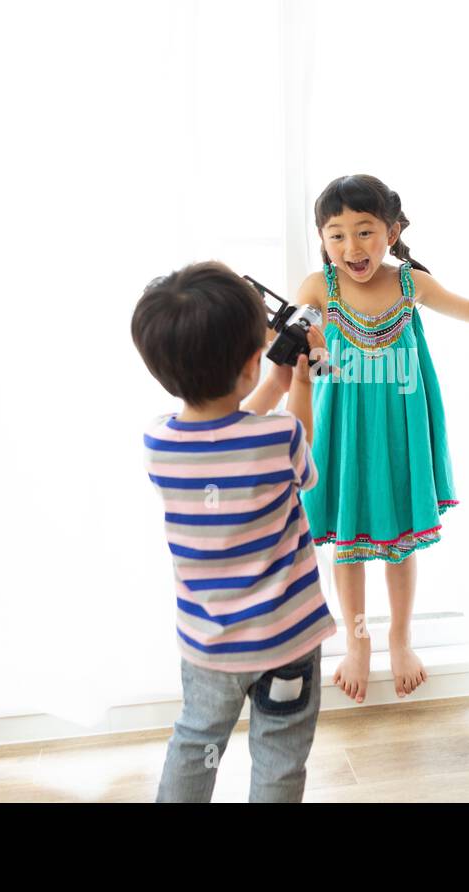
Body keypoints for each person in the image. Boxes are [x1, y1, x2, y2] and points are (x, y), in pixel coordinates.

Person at [296, 174, 469, 703]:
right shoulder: (317, 289)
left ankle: (400, 636)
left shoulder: (411, 283)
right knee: (347, 540)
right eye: (338, 234)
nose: (353, 246)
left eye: (366, 231)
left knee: (398, 538)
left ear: (391, 232)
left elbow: (467, 308)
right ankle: (357, 639)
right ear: (323, 240)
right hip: (343, 432)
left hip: (399, 428)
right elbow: (295, 351)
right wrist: (307, 348)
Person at [131, 260, 333, 802]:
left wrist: (269, 382)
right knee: (280, 752)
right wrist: (300, 383)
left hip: (210, 644)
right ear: (250, 362)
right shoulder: (281, 437)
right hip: (286, 638)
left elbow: (226, 434)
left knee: (196, 741)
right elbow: (300, 460)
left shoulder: (158, 447)